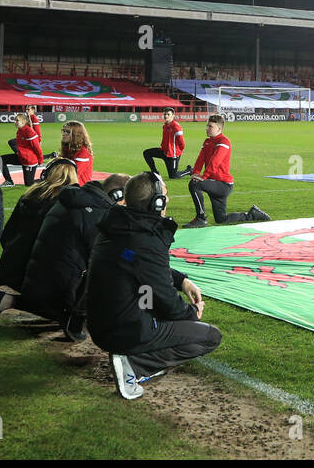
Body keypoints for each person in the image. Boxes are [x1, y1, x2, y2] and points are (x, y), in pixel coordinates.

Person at [87, 171, 223, 399]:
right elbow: (163, 296)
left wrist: (181, 280)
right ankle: (135, 365)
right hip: (123, 331)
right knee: (209, 336)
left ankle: (133, 355)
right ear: (156, 202)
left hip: (102, 323)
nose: (167, 201)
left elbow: (137, 264)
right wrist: (191, 313)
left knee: (148, 298)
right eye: (165, 196)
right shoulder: (144, 237)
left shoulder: (119, 225)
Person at [0, 173, 129, 337]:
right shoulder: (97, 213)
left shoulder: (76, 198)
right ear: (117, 194)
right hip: (59, 286)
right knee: (107, 273)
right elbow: (105, 255)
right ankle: (75, 320)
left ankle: (1, 299)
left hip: (38, 275)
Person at [0, 157, 79, 291]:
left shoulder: (29, 195)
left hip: (11, 264)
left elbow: (7, 234)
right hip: (43, 275)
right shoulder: (72, 204)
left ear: (46, 174)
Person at [185, 115, 270, 227]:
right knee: (221, 219)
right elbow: (200, 159)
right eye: (207, 126)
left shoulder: (224, 141)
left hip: (223, 185)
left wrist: (203, 177)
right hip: (214, 183)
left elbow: (215, 162)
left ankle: (200, 218)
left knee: (195, 184)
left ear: (219, 129)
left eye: (210, 126)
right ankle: (252, 214)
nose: (207, 128)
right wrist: (196, 172)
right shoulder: (207, 142)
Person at [0, 112, 43, 188]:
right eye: (15, 120)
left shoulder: (29, 132)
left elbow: (37, 148)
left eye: (17, 120)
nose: (15, 122)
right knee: (0, 159)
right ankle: (9, 181)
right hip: (21, 158)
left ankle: (46, 180)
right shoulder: (19, 131)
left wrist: (40, 160)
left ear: (23, 121)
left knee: (29, 184)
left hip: (29, 161)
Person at [142, 108, 189, 178]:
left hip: (173, 155)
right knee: (146, 153)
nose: (166, 116)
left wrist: (181, 150)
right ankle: (155, 172)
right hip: (164, 152)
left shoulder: (176, 127)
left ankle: (189, 171)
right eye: (165, 114)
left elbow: (182, 142)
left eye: (168, 114)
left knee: (173, 176)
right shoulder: (165, 125)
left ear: (173, 116)